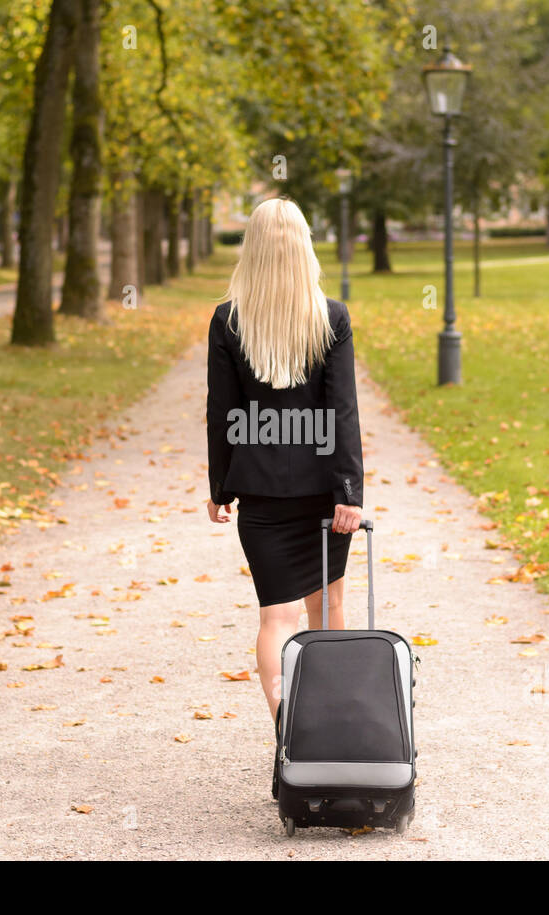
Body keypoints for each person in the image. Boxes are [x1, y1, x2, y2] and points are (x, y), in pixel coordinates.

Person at [205, 196, 364, 726]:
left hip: (261, 492)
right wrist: (348, 493)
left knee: (277, 616)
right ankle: (330, 726)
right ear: (304, 248)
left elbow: (222, 411)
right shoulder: (331, 317)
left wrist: (220, 486)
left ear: (251, 249)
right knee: (328, 611)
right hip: (322, 492)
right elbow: (342, 410)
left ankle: (287, 731)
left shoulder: (228, 320)